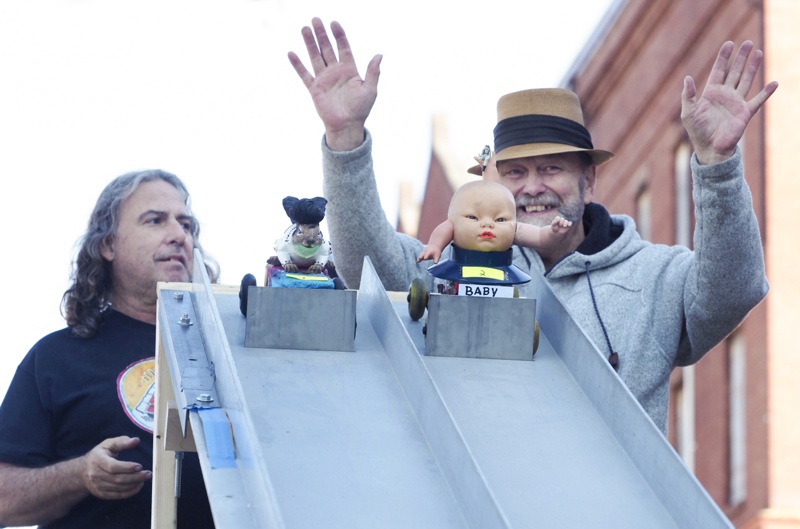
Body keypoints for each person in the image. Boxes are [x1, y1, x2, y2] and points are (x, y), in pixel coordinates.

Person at [288, 18, 778, 435]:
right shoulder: (453, 264)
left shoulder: (656, 276)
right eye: (515, 173)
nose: (532, 188)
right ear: (489, 183)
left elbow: (734, 289)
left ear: (589, 178)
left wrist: (717, 164)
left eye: (551, 169)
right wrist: (346, 139)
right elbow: (364, 266)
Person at [0, 170, 217, 528]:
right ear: (108, 245)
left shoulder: (226, 353)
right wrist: (80, 474)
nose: (179, 236)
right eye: (155, 220)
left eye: (186, 225)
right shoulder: (56, 358)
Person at [417, 179, 572, 264]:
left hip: (500, 269)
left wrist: (552, 233)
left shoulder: (514, 229)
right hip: (460, 266)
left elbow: (538, 237)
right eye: (473, 217)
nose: (488, 224)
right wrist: (434, 246)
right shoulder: (451, 225)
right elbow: (443, 229)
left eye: (500, 219)